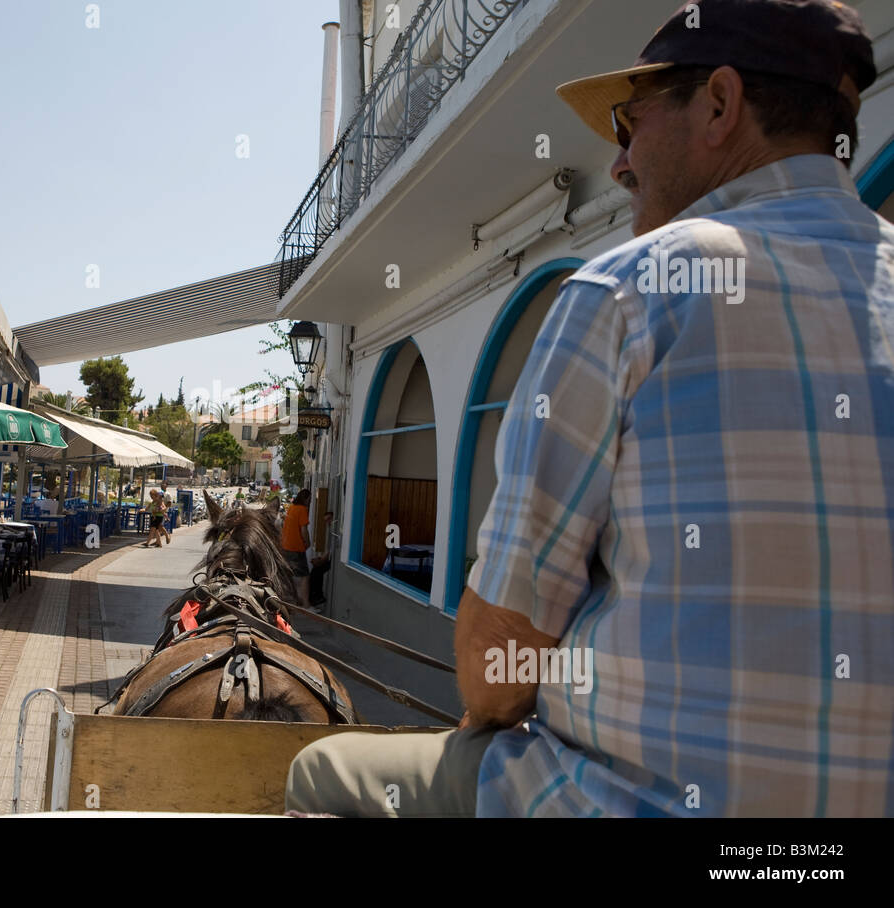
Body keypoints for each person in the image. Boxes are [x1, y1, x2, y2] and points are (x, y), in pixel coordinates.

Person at [287, 0, 893, 817]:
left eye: (628, 124)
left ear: (719, 104)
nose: (619, 164)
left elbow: (500, 659)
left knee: (322, 770)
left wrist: (499, 703)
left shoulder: (626, 292)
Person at [280, 489, 312, 609]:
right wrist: (307, 543)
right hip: (296, 547)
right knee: (304, 576)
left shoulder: (292, 507)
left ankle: (294, 601)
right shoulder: (302, 509)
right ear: (306, 499)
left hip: (286, 545)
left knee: (290, 574)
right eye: (310, 499)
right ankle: (306, 605)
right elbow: (304, 530)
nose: (310, 501)